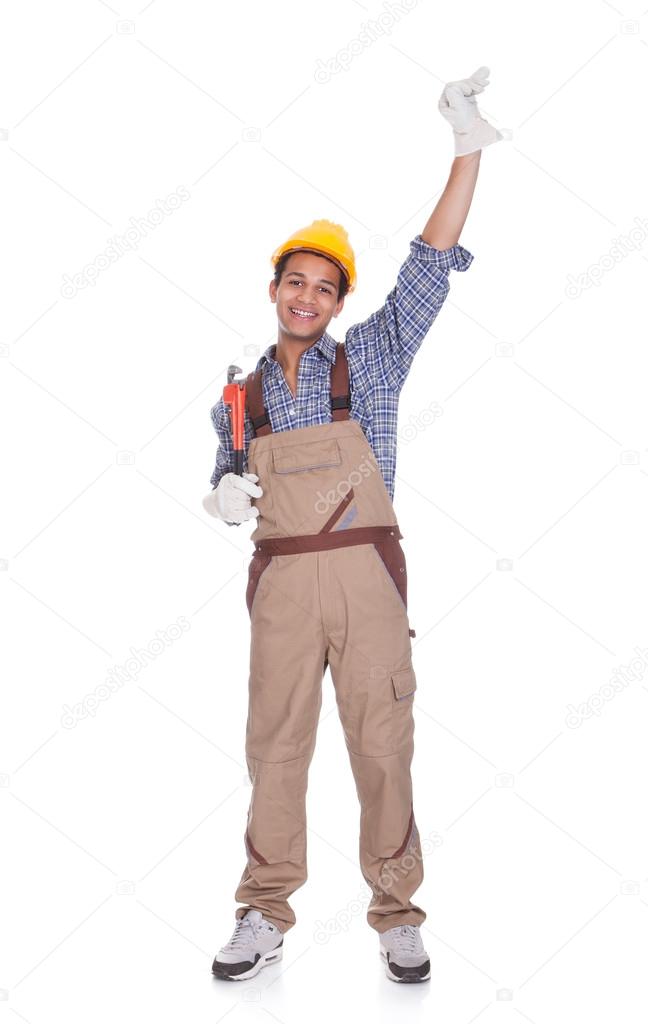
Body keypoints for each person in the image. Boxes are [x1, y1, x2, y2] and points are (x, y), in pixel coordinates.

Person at [204, 67, 507, 984]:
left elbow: (427, 266)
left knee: (383, 744)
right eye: (294, 283)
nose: (307, 298)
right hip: (284, 591)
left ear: (339, 303)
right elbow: (224, 478)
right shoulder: (240, 397)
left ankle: (397, 912)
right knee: (275, 750)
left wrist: (463, 150)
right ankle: (262, 912)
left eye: (324, 289)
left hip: (367, 583)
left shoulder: (371, 359)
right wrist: (221, 487)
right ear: (275, 289)